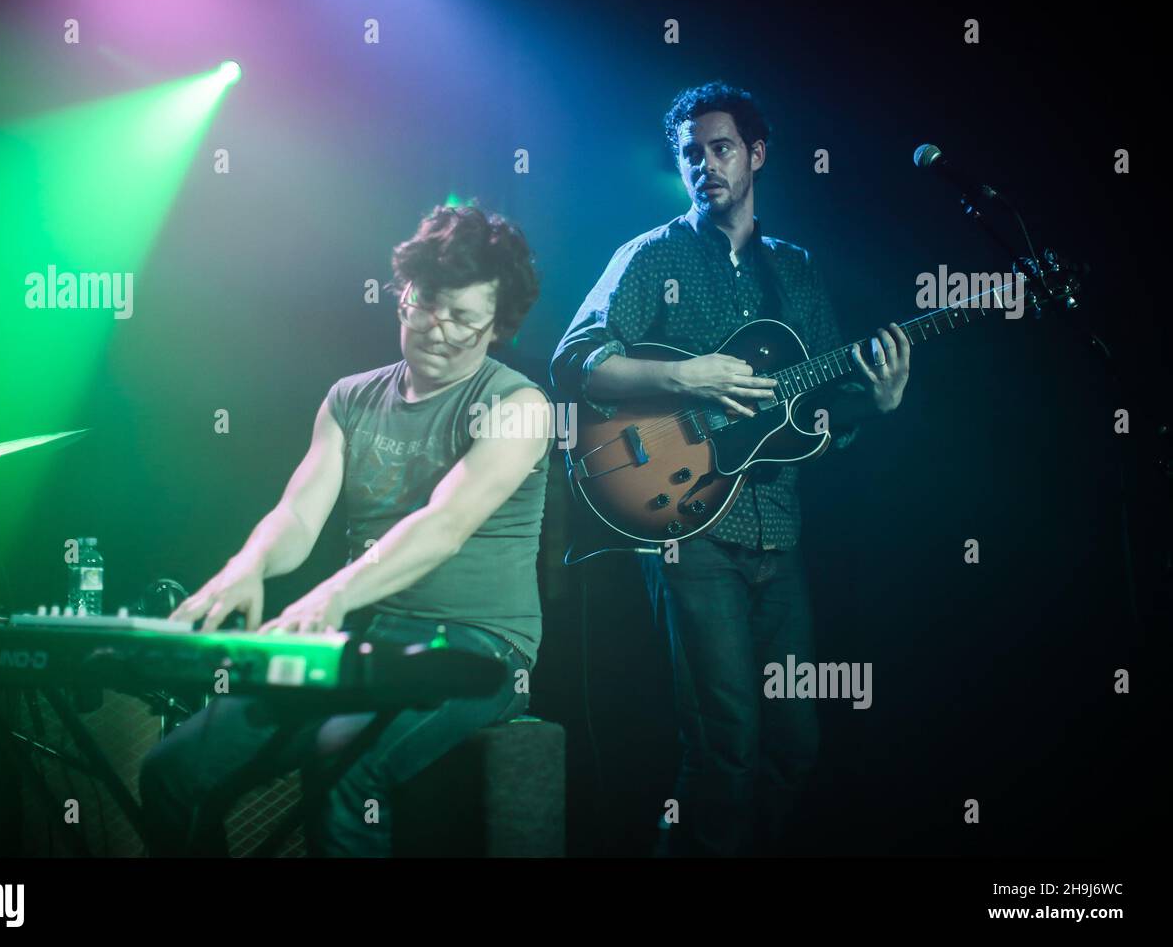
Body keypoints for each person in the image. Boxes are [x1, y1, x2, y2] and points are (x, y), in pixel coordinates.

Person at [550, 82, 911, 856]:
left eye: (719, 149)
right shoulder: (652, 255)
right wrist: (687, 379)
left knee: (794, 743)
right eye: (690, 154)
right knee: (726, 743)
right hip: (687, 525)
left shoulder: (798, 269)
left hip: (777, 528)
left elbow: (816, 410)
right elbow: (576, 361)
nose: (704, 165)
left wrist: (870, 405)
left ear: (756, 154)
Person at [141, 205, 551, 856]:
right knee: (169, 774)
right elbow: (298, 516)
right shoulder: (349, 398)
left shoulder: (520, 406)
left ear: (497, 327)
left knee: (345, 774)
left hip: (477, 648)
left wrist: (329, 597)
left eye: (466, 318)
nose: (439, 329)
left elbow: (443, 525)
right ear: (403, 298)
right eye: (427, 306)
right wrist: (246, 566)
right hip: (359, 641)